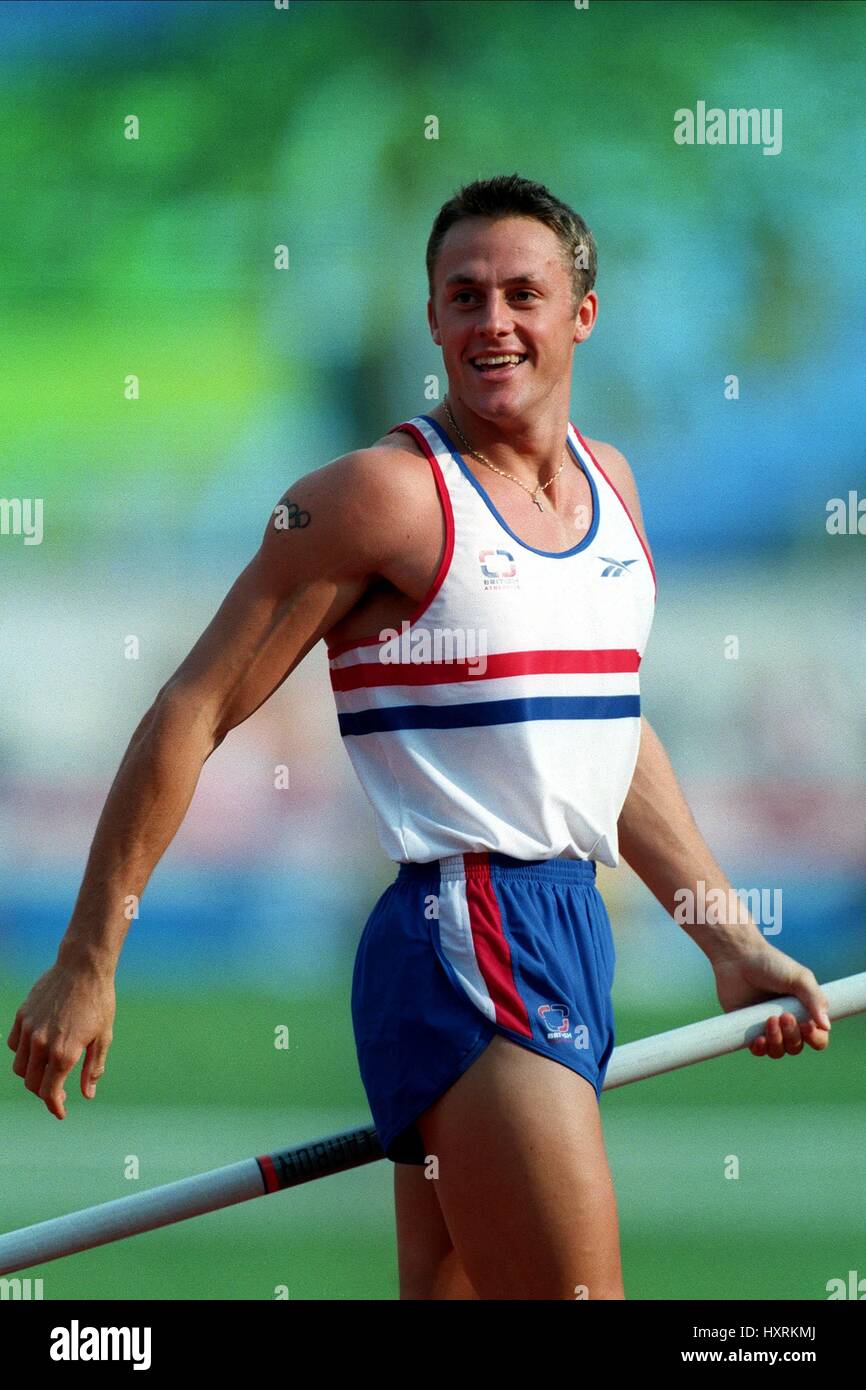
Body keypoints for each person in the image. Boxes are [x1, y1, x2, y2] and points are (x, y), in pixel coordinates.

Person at [7, 173, 831, 1301]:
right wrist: (88, 958)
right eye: (463, 296)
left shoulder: (613, 489)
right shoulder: (375, 499)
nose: (492, 322)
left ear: (580, 312)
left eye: (522, 295)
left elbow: (605, 736)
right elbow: (192, 707)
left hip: (566, 925)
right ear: (432, 317)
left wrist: (726, 940)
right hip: (466, 935)